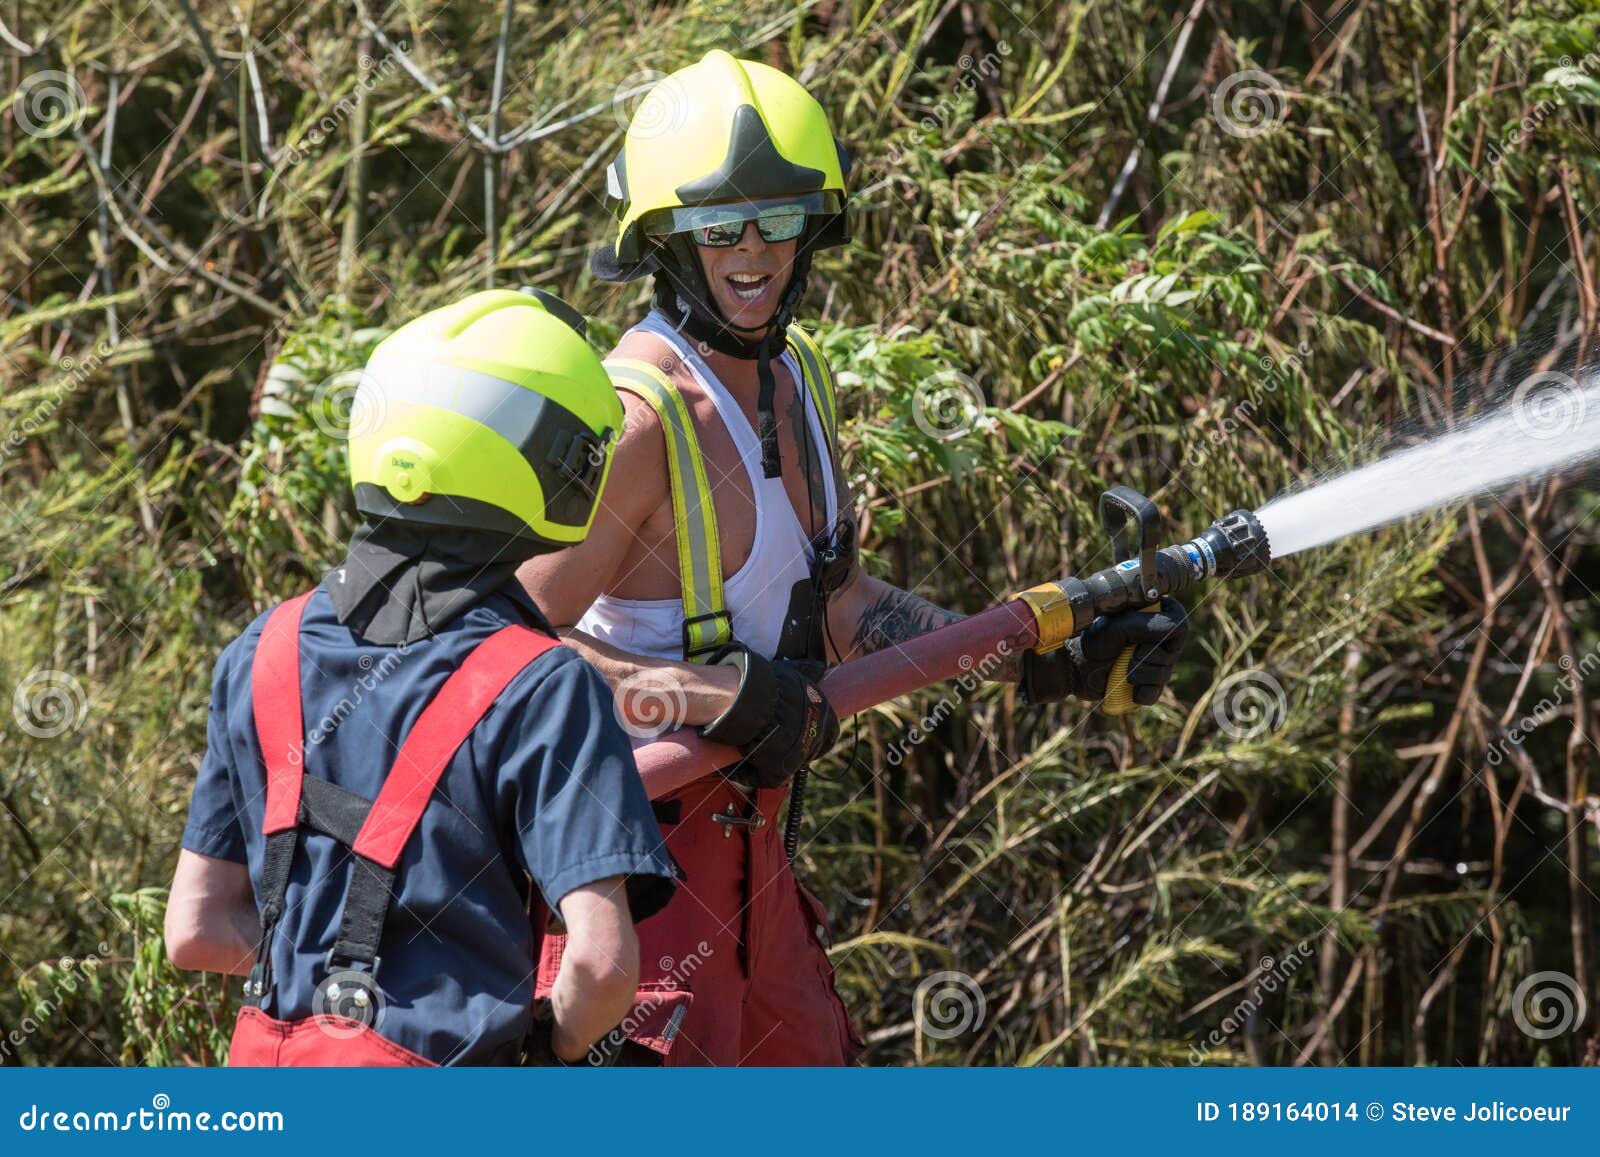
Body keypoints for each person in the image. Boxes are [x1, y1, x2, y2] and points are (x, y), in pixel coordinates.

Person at [516, 51, 1189, 1065]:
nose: (754, 250)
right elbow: (499, 657)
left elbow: (837, 605)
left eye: (780, 220)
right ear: (659, 238)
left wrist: (1038, 658)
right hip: (628, 888)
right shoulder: (635, 414)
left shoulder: (795, 378)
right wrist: (708, 697)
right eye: (719, 224)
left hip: (762, 871)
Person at [165, 288, 676, 1066]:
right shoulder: (542, 684)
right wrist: (541, 1044)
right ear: (550, 468)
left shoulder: (260, 652)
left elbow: (195, 930)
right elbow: (602, 965)